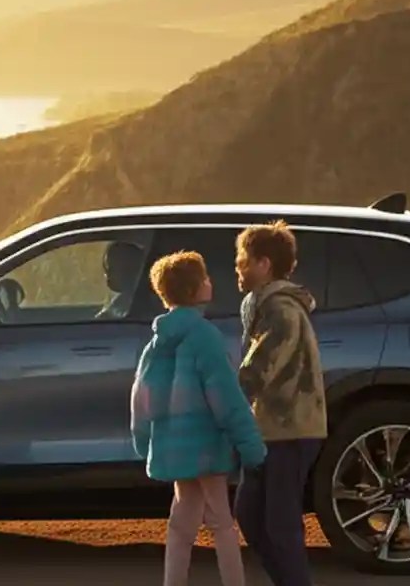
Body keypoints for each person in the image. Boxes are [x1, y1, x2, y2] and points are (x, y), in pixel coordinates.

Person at [132, 251, 266, 586]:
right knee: (221, 521)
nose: (211, 282)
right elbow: (226, 398)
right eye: (204, 278)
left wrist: (144, 439)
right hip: (207, 446)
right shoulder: (205, 337)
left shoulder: (157, 342)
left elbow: (141, 395)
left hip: (173, 446)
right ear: (194, 290)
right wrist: (251, 446)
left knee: (181, 522)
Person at [234, 221, 327, 586]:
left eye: (243, 259)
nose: (238, 267)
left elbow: (257, 370)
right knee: (251, 514)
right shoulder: (262, 305)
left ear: (264, 264)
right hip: (268, 429)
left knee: (280, 525)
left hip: (291, 429)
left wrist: (217, 399)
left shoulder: (282, 311)